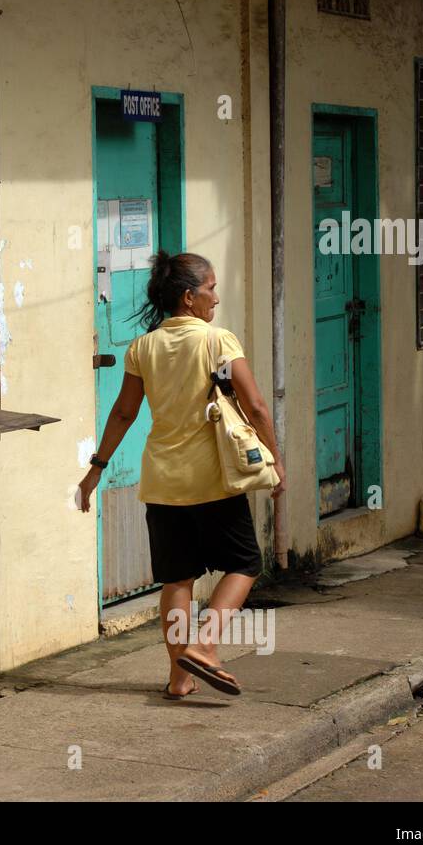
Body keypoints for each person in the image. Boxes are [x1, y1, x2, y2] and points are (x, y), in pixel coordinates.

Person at [77, 250, 284, 699]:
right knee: (245, 563)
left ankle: (179, 677)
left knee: (178, 580)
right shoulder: (218, 342)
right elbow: (256, 407)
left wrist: (95, 470)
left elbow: (123, 413)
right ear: (189, 298)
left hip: (163, 482)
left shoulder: (142, 348)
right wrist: (275, 460)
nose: (216, 296)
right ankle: (206, 645)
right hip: (212, 479)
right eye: (210, 289)